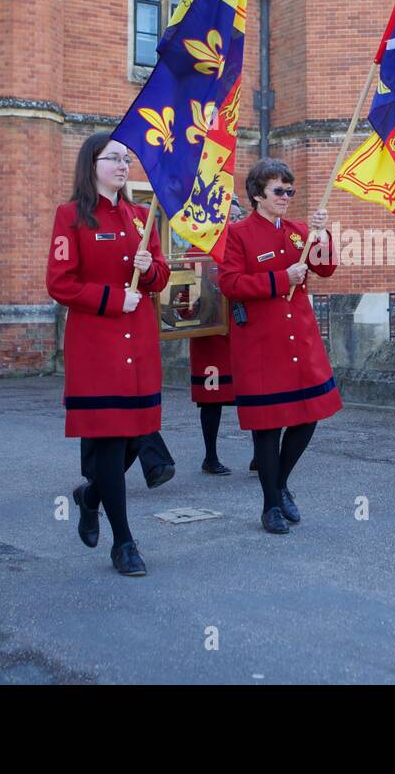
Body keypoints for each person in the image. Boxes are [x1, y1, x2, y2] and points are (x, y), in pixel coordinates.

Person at [46, 133, 171, 576]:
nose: (123, 165)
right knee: (112, 437)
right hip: (97, 346)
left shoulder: (142, 216)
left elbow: (161, 274)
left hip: (139, 343)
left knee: (135, 436)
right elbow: (60, 283)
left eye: (126, 159)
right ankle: (124, 542)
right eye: (113, 158)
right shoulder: (70, 217)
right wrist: (114, 299)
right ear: (91, 164)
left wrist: (149, 270)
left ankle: (92, 496)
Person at [218, 158, 341, 534]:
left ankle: (280, 482)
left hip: (300, 338)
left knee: (309, 415)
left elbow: (325, 269)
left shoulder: (298, 230)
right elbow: (231, 283)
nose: (287, 196)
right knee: (268, 428)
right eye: (279, 191)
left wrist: (322, 238)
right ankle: (270, 505)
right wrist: (279, 278)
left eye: (290, 190)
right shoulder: (238, 233)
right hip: (261, 342)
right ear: (257, 195)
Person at [184, 202, 248, 475]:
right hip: (210, 333)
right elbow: (184, 295)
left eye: (238, 216)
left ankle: (260, 455)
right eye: (228, 217)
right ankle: (210, 456)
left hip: (242, 329)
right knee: (212, 399)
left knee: (253, 394)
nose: (233, 221)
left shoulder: (247, 248)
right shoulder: (197, 252)